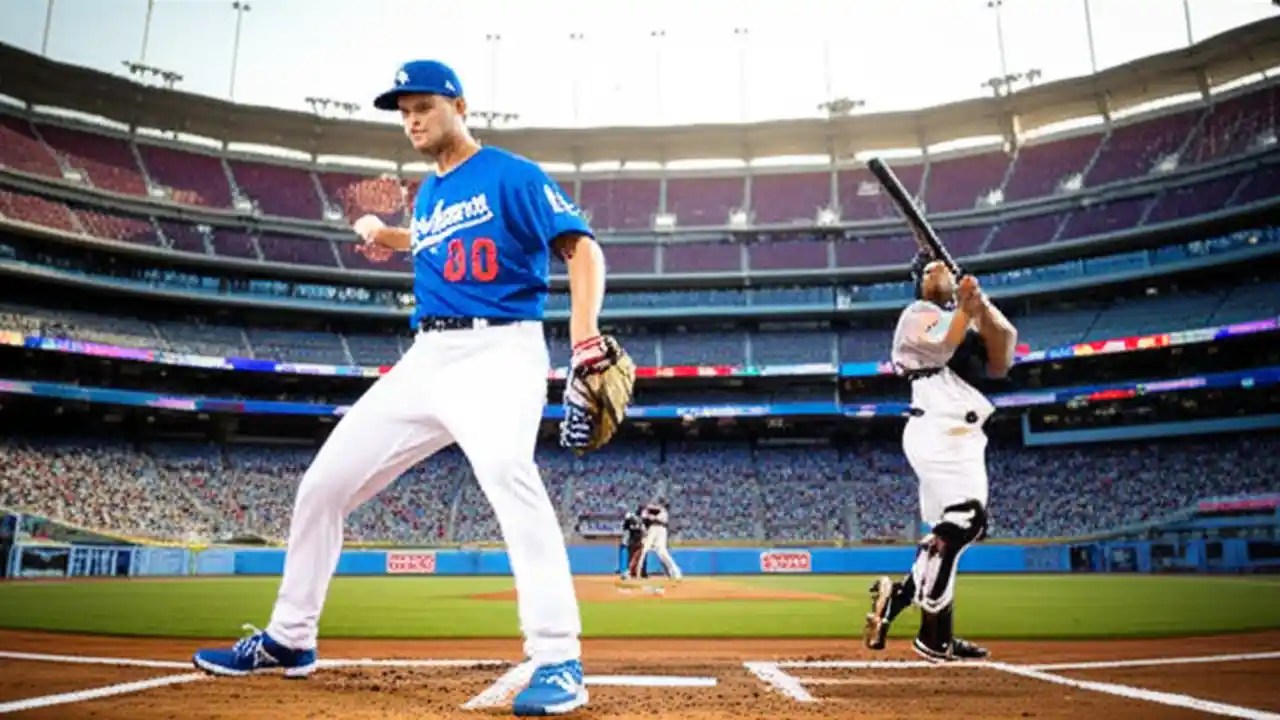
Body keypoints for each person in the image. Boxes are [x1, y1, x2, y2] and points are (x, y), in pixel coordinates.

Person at [192, 59, 614, 716]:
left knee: (509, 474)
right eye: (403, 110)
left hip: (499, 348)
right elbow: (427, 239)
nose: (412, 118)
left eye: (424, 105)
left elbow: (581, 248)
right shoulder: (433, 196)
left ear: (459, 106)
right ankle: (288, 638)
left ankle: (559, 657)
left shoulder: (511, 174)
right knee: (323, 486)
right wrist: (383, 235)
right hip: (427, 357)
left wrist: (584, 335)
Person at [862, 250, 1016, 662]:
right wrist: (967, 309)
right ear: (918, 285)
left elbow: (1004, 353)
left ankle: (905, 605)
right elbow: (944, 345)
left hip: (965, 435)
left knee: (954, 531)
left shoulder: (964, 312)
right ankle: (931, 637)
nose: (935, 272)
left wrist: (980, 305)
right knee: (966, 520)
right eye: (927, 271)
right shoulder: (918, 313)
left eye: (940, 267)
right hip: (939, 427)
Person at [637, 498, 682, 581]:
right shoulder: (656, 510)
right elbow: (646, 515)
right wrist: (646, 513)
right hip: (654, 529)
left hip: (660, 530)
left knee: (661, 552)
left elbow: (655, 516)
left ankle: (675, 572)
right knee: (646, 550)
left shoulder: (663, 512)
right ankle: (638, 573)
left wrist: (648, 512)